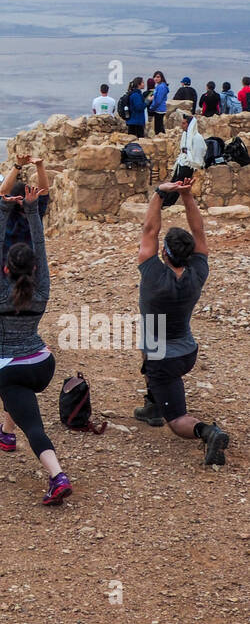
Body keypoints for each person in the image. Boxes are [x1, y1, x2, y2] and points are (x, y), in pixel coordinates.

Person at [0, 183, 71, 505]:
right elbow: (41, 246)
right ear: (35, 268)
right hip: (43, 365)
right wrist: (32, 209)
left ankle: (57, 476)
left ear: (5, 269)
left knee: (33, 426)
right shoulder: (42, 289)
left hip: (10, 369)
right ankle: (5, 434)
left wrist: (4, 207)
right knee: (19, 402)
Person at [133, 178, 228, 465]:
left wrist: (159, 193)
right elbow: (198, 230)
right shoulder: (198, 272)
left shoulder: (153, 275)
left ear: (164, 253)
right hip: (187, 351)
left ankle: (207, 432)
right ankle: (152, 406)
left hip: (166, 360)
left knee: (176, 420)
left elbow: (150, 229)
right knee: (148, 342)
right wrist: (187, 196)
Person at [0, 155, 49, 259]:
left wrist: (18, 165)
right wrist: (40, 166)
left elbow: (3, 192)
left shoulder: (7, 214)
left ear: (12, 198)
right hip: (31, 262)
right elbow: (44, 191)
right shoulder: (35, 214)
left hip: (8, 261)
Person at [147, 70, 169, 135]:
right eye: (155, 77)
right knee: (160, 127)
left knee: (158, 129)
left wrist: (152, 108)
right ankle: (164, 138)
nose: (156, 78)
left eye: (158, 77)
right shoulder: (159, 86)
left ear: (162, 78)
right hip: (159, 109)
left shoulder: (161, 87)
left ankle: (161, 141)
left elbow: (158, 100)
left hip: (159, 109)